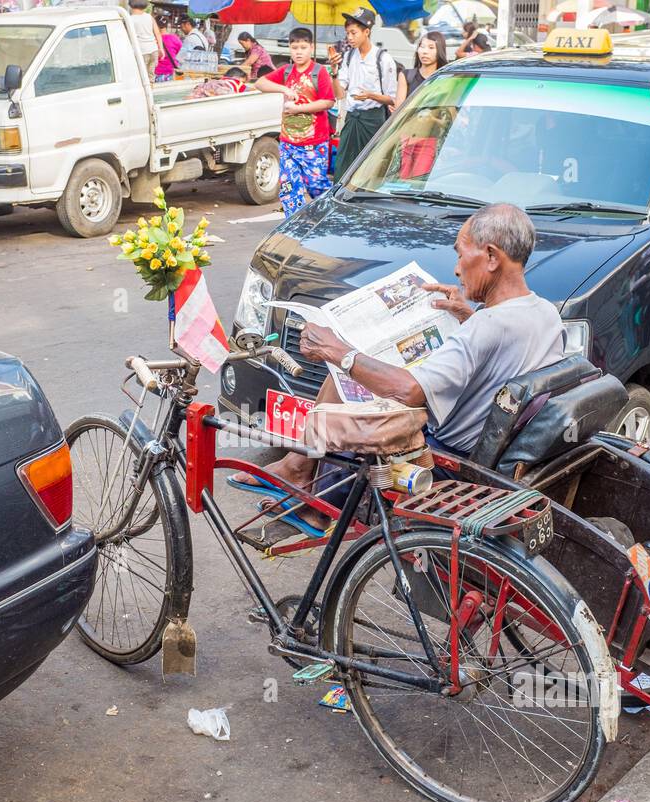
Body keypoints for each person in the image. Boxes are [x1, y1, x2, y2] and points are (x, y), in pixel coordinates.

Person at [233, 203, 564, 527]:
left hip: (444, 455)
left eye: (461, 254)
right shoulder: (545, 313)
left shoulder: (487, 326)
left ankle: (312, 494)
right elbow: (500, 348)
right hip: (493, 445)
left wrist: (340, 352)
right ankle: (298, 466)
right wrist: (467, 315)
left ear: (491, 257)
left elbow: (409, 390)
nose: (457, 269)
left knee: (349, 367)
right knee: (354, 366)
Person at [256, 26, 335, 215]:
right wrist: (284, 90)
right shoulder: (286, 71)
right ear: (289, 48)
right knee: (289, 189)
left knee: (316, 186)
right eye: (295, 47)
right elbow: (260, 83)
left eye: (303, 47)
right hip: (288, 144)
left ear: (311, 48)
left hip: (314, 145)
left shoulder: (319, 72)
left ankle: (331, 215)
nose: (298, 52)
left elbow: (328, 102)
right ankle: (293, 224)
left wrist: (298, 108)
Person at [328, 8, 398, 178]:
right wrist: (334, 71)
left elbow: (391, 100)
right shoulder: (348, 57)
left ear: (367, 32)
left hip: (373, 120)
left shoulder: (383, 59)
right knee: (343, 168)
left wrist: (370, 95)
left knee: (371, 171)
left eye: (353, 33)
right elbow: (339, 94)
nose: (349, 38)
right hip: (352, 118)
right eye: (347, 33)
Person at [395, 31, 447, 108]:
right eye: (422, 46)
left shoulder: (446, 77)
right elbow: (399, 109)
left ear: (440, 50)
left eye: (431, 47)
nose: (425, 52)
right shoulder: (405, 76)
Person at [128, 0, 164, 78]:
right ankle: (151, 88)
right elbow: (157, 33)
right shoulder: (149, 17)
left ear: (130, 6)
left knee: (141, 77)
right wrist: (161, 48)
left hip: (141, 52)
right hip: (154, 51)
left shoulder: (130, 19)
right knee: (151, 76)